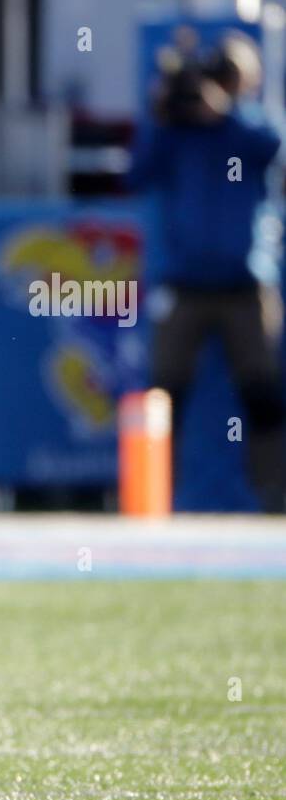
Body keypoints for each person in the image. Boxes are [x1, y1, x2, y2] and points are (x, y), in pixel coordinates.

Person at [131, 32, 285, 512]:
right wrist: (161, 114)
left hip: (245, 283)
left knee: (261, 394)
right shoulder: (176, 132)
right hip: (184, 283)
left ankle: (275, 499)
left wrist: (225, 111)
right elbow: (136, 174)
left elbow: (273, 146)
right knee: (165, 394)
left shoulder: (249, 125)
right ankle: (151, 497)